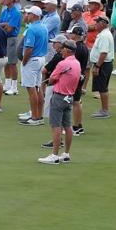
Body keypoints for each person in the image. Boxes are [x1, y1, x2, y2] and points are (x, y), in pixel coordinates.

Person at [39, 34, 82, 164]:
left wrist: (52, 79)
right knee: (67, 126)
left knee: (56, 126)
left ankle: (54, 155)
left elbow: (52, 78)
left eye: (63, 49)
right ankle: (66, 154)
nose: (61, 51)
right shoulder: (77, 63)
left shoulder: (63, 63)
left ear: (68, 50)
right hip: (69, 97)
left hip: (59, 96)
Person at [17, 5, 48, 125]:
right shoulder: (43, 27)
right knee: (37, 87)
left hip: (32, 60)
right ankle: (39, 116)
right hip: (41, 59)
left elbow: (29, 49)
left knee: (32, 89)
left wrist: (24, 61)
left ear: (34, 16)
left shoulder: (31, 29)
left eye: (29, 14)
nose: (27, 15)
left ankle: (34, 117)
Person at [88, 12, 114, 119]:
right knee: (102, 87)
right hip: (103, 64)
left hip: (103, 65)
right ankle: (104, 110)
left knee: (103, 88)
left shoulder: (104, 35)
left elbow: (103, 53)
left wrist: (97, 66)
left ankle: (105, 110)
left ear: (103, 24)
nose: (95, 25)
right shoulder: (104, 34)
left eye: (97, 23)